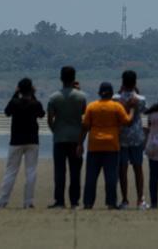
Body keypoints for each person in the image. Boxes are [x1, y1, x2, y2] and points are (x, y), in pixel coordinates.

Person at [81, 81, 134, 209]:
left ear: (100, 93)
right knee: (111, 176)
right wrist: (132, 110)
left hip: (94, 145)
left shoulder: (92, 106)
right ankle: (111, 202)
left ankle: (88, 203)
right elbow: (127, 121)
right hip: (111, 145)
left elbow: (85, 126)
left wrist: (79, 143)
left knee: (91, 177)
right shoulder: (116, 107)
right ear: (111, 93)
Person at [0, 77, 46, 209]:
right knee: (31, 171)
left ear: (19, 89)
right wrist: (33, 94)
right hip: (32, 140)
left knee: (11, 171)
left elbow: (6, 112)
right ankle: (28, 202)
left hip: (16, 141)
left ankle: (2, 201)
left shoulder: (15, 102)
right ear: (31, 90)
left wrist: (15, 93)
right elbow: (41, 114)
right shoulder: (35, 103)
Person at [47, 65, 87, 209]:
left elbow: (50, 120)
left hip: (60, 139)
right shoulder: (81, 97)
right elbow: (85, 119)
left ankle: (59, 201)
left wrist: (56, 131)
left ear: (61, 78)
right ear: (74, 78)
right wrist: (81, 140)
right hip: (76, 139)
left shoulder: (54, 97)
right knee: (75, 171)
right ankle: (75, 201)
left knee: (59, 171)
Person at [115, 70, 148, 209]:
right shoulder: (140, 99)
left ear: (122, 82)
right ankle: (140, 200)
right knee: (138, 168)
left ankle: (124, 200)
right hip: (136, 137)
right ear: (135, 82)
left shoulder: (115, 99)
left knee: (122, 169)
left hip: (121, 136)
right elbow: (143, 110)